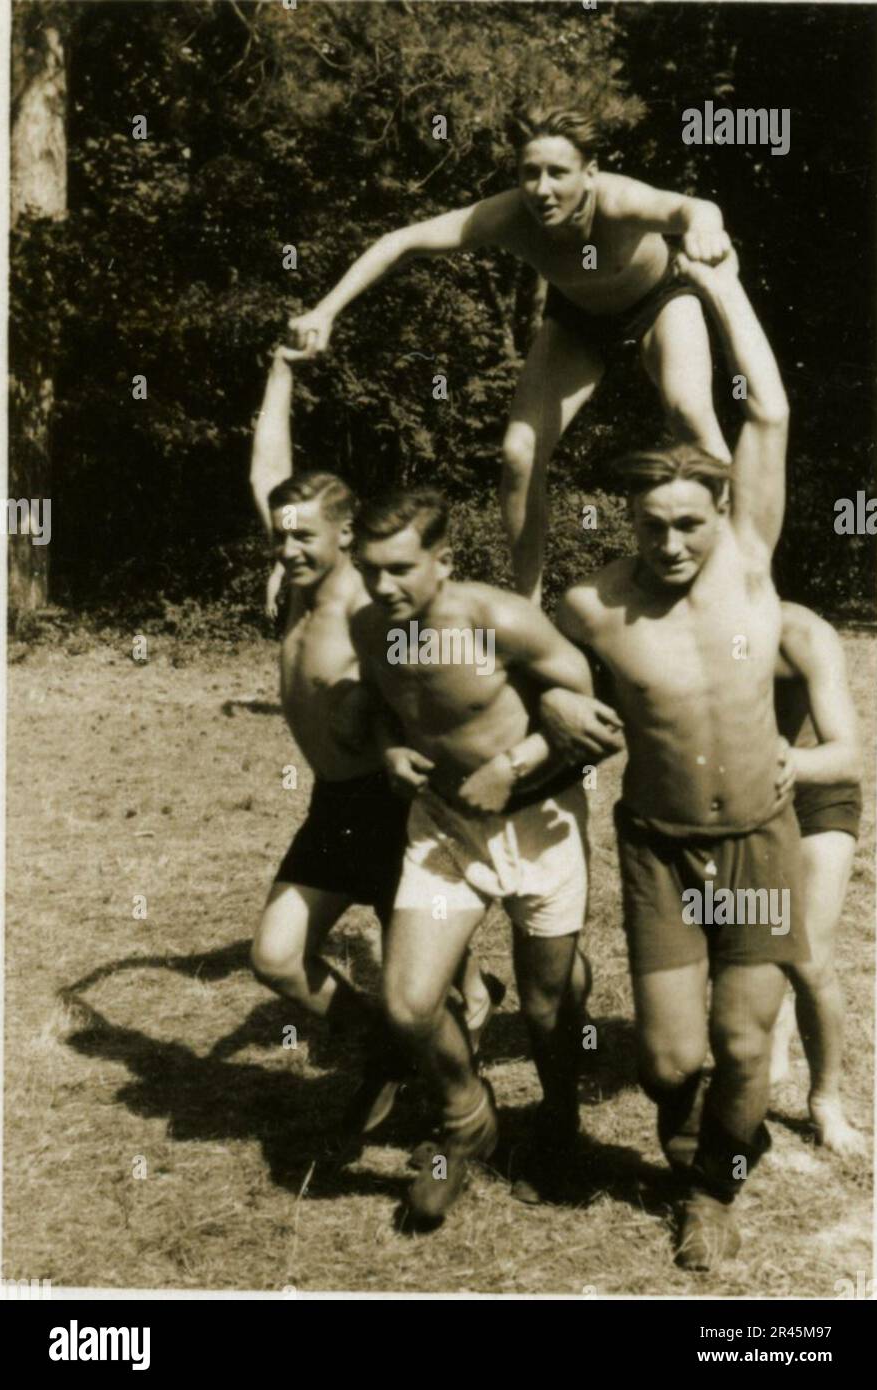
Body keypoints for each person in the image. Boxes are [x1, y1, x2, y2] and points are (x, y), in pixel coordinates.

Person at [540, 247, 808, 1271]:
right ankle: (700, 1129)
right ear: (628, 522)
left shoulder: (746, 563)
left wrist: (721, 283)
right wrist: (560, 695)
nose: (672, 544)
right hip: (656, 846)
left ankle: (710, 1186)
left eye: (689, 523)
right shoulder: (594, 607)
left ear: (717, 513)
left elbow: (769, 412)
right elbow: (526, 667)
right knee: (666, 1060)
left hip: (754, 838)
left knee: (741, 1045)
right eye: (652, 526)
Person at [287, 106, 731, 602]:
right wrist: (325, 311)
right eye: (530, 173)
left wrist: (704, 229)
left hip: (660, 301)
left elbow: (696, 208)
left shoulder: (621, 200)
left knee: (689, 411)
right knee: (518, 454)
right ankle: (529, 608)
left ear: (589, 172)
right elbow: (401, 242)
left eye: (558, 173)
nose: (542, 190)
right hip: (578, 321)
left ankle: (735, 578)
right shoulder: (508, 215)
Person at [349, 487, 622, 1225]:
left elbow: (589, 707)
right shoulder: (369, 625)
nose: (383, 586)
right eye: (368, 569)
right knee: (408, 1004)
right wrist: (391, 749)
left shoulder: (498, 617)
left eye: (400, 569)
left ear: (443, 560)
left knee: (545, 1002)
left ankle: (559, 1124)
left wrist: (515, 763)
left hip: (538, 826)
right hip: (443, 829)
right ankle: (464, 1119)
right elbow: (386, 704)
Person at [248, 348, 496, 1142]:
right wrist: (282, 373)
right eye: (280, 537)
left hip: (392, 806)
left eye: (304, 539)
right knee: (277, 958)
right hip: (334, 804)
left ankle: (453, 1104)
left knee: (419, 989)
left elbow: (446, 657)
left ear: (347, 535)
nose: (286, 550)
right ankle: (383, 1052)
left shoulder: (366, 595)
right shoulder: (297, 580)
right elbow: (269, 473)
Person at [769, 601, 865, 1157]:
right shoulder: (680, 620)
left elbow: (847, 759)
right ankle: (776, 1024)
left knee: (807, 955)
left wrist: (781, 761)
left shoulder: (802, 631)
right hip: (747, 800)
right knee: (752, 944)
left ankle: (826, 1100)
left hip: (817, 793)